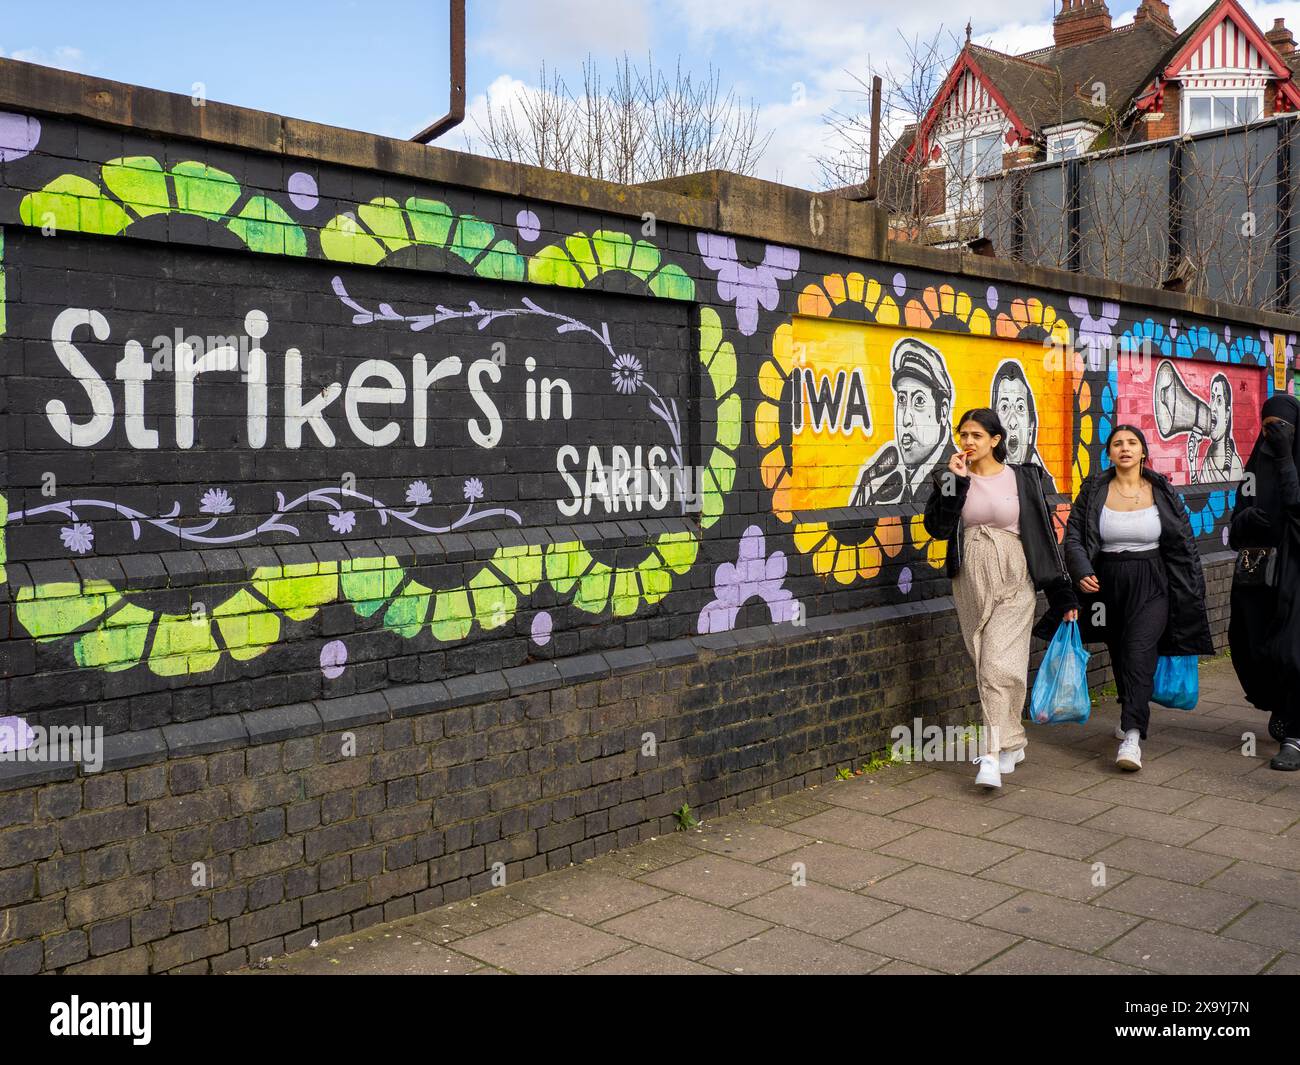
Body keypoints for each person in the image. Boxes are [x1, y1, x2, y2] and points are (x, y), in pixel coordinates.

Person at [922, 407, 1078, 789]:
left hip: (1015, 574)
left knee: (998, 666)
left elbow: (1042, 535)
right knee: (986, 661)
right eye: (963, 435)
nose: (968, 442)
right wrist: (955, 484)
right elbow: (937, 528)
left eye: (976, 435)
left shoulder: (1022, 477)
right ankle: (1012, 742)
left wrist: (1061, 591)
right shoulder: (949, 478)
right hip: (970, 577)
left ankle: (990, 755)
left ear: (995, 440)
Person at [1063, 425, 1214, 771]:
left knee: (1139, 648)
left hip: (1153, 579)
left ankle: (1132, 735)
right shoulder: (1095, 490)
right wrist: (1082, 568)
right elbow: (1073, 535)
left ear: (1143, 452)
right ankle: (1129, 705)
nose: (1125, 448)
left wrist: (1191, 588)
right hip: (1107, 582)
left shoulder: (1161, 489)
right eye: (1118, 444)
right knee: (1119, 651)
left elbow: (1183, 540)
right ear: (1110, 453)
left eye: (1132, 443)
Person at [1228, 394, 1300, 771]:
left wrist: (1288, 459)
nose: (1274, 434)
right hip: (1258, 574)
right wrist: (1244, 521)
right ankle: (1281, 705)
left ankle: (1295, 735)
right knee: (1252, 648)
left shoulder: (1292, 460)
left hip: (1295, 574)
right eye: (1268, 426)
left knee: (1292, 652)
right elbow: (1234, 524)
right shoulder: (1256, 467)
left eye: (1283, 428)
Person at [852, 337, 957, 506]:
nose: (906, 419)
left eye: (919, 401)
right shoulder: (904, 481)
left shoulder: (951, 473)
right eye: (901, 399)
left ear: (943, 411)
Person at [990, 360, 1056, 490]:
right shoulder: (981, 474)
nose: (1012, 422)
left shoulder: (1042, 484)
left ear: (1031, 428)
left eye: (1020, 408)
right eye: (1004, 407)